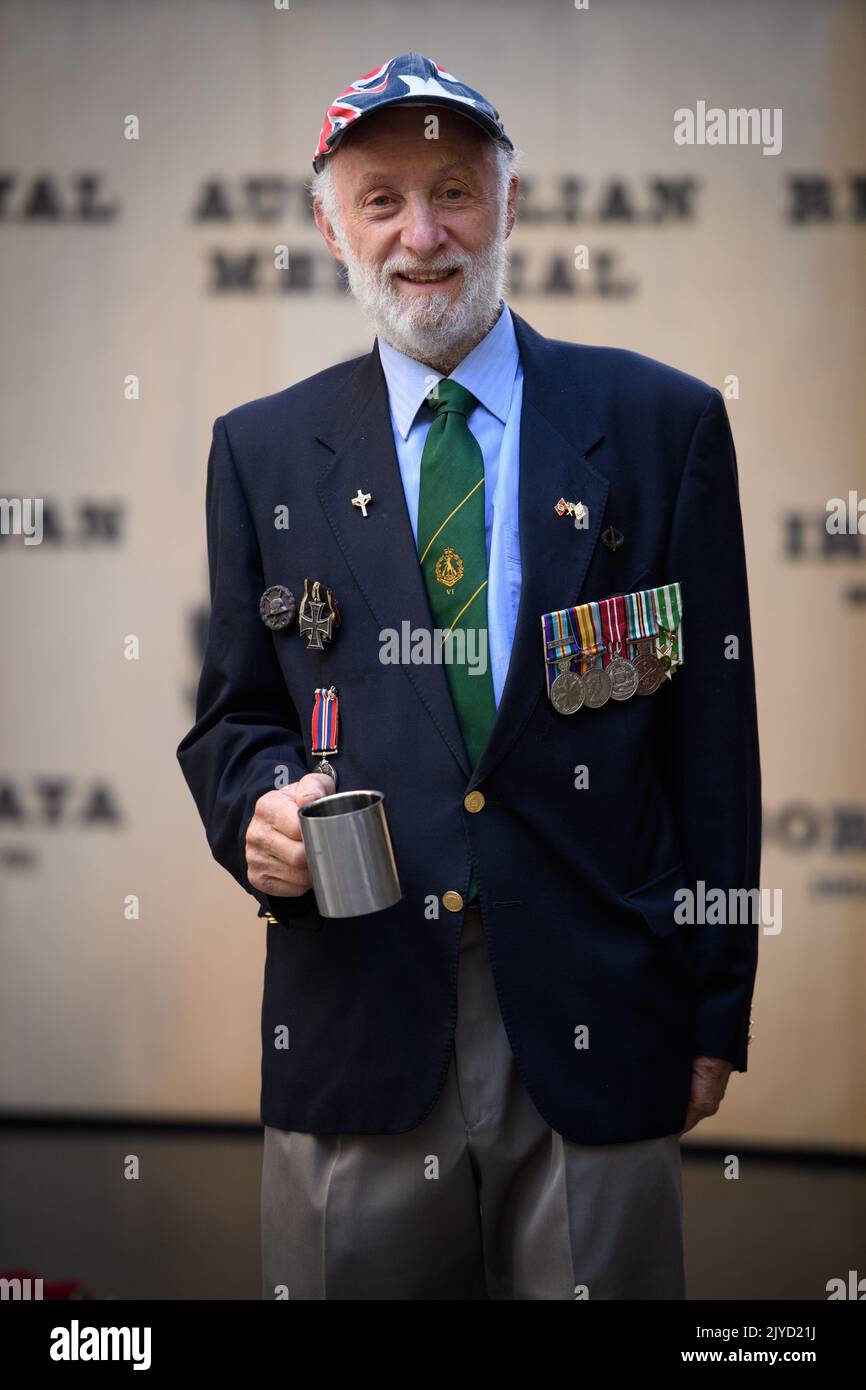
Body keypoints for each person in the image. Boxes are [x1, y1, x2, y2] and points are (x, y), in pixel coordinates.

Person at [177, 52, 761, 1301]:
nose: (421, 233)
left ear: (511, 203)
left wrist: (714, 1012)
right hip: (357, 1014)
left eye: (453, 189)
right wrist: (259, 807)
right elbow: (235, 720)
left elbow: (711, 746)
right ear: (326, 223)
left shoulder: (662, 427)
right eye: (381, 198)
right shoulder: (260, 448)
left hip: (602, 1019)